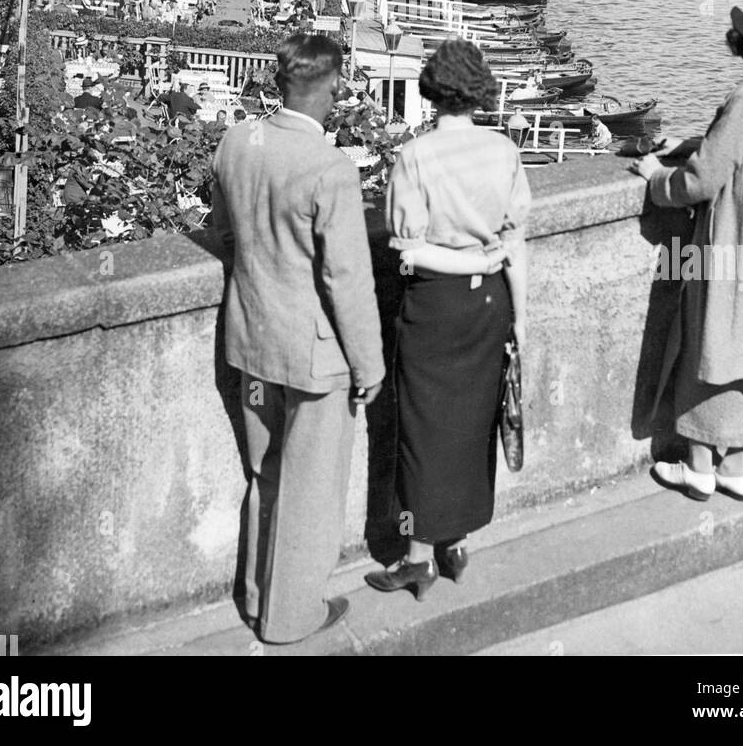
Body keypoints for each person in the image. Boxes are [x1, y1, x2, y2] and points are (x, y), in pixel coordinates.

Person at [211, 33, 385, 644]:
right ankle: (290, 617)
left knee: (266, 473)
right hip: (312, 358)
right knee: (311, 491)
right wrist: (369, 366)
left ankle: (258, 596)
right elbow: (347, 280)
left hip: (251, 340)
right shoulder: (329, 169)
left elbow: (225, 230)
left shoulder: (237, 141)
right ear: (333, 91)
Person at [365, 38, 531, 600]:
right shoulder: (504, 151)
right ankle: (455, 544)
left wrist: (463, 258)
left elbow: (406, 249)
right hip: (490, 305)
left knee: (421, 429)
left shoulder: (416, 156)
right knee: (470, 425)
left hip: (435, 304)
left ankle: (416, 559)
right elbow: (515, 243)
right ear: (479, 91)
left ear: (432, 90)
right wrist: (521, 318)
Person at [630, 3, 743, 502]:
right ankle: (737, 467)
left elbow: (702, 180)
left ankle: (699, 467)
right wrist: (696, 141)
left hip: (729, 247)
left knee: (707, 342)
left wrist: (656, 179)